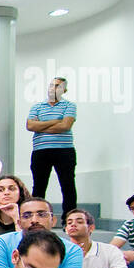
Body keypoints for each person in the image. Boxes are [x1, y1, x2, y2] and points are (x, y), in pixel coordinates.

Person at [0, 197, 83, 268]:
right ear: (19, 223)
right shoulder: (0, 243)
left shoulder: (72, 250)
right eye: (27, 216)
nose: (34, 220)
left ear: (53, 221)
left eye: (41, 214)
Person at [26, 75, 77, 219]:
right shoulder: (37, 106)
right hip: (40, 151)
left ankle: (69, 218)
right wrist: (56, 121)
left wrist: (40, 126)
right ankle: (36, 216)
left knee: (67, 185)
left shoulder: (69, 105)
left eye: (57, 86)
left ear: (64, 90)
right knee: (39, 186)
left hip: (64, 150)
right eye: (51, 85)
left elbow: (66, 126)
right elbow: (30, 125)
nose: (53, 88)